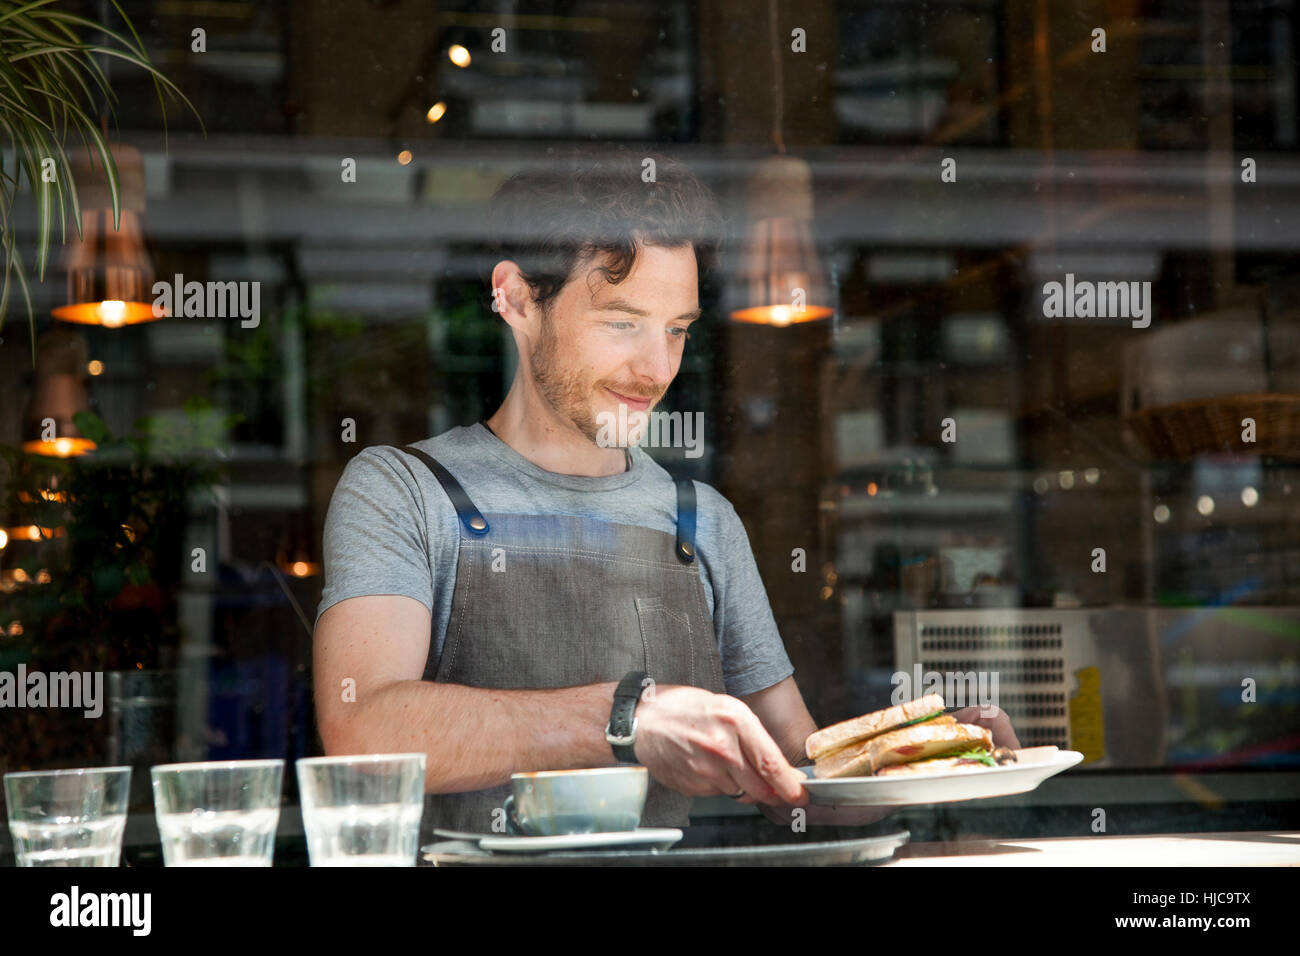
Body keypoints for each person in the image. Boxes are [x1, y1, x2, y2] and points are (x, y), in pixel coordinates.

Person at [312, 149, 1018, 836]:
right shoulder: (402, 491)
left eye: (677, 330)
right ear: (518, 298)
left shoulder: (703, 521)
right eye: (622, 323)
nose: (656, 369)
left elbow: (799, 781)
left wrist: (932, 753)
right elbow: (365, 729)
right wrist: (630, 720)